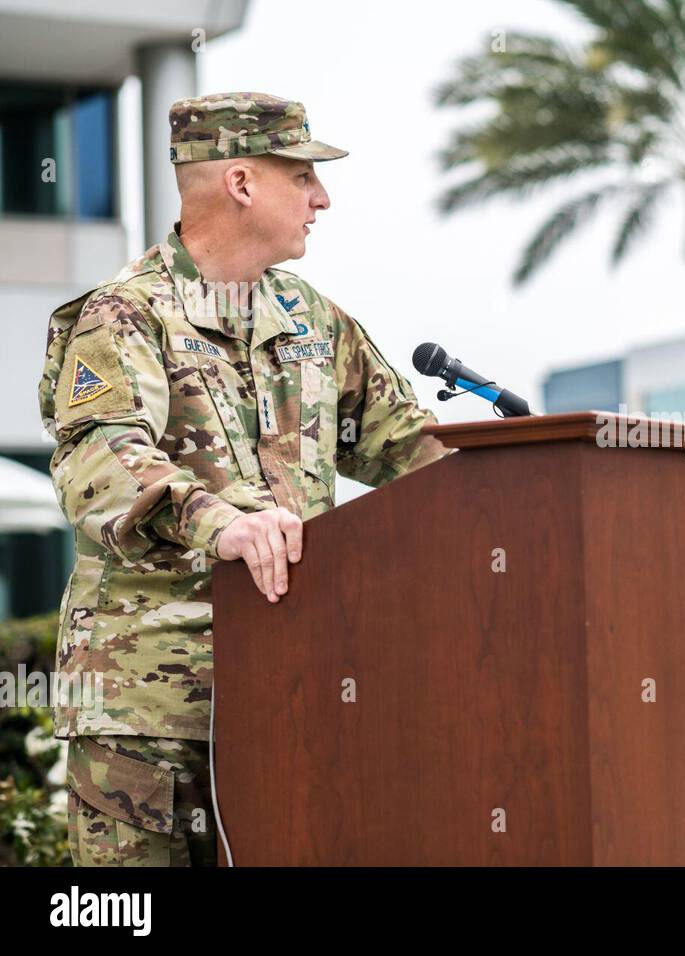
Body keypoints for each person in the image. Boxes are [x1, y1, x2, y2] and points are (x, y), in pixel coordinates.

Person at [36, 92, 451, 866]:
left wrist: (530, 490)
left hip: (294, 690)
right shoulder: (125, 317)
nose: (321, 198)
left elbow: (410, 454)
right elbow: (97, 460)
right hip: (150, 708)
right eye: (302, 176)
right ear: (240, 182)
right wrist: (218, 522)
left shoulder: (314, 323)